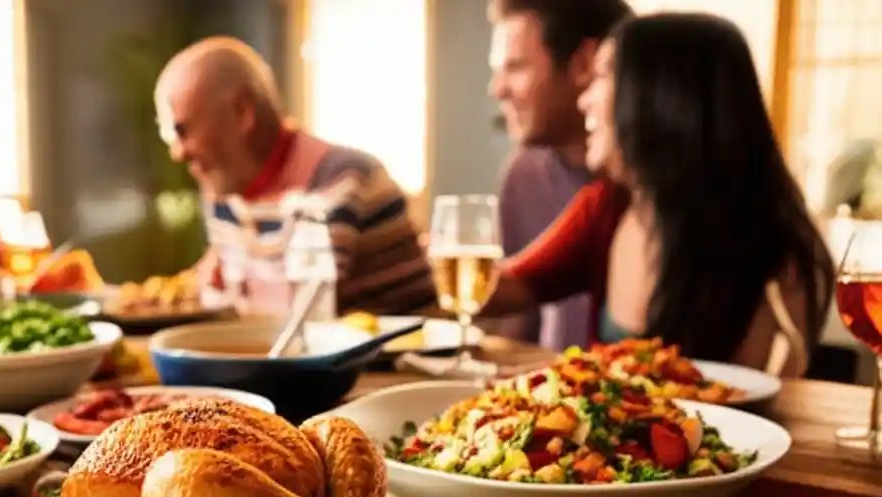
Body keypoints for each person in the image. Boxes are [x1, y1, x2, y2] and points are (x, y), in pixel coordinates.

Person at [482, 13, 836, 377]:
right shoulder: (607, 208)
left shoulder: (776, 253)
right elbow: (501, 287)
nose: (584, 99)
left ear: (660, 96)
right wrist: (426, 258)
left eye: (602, 75)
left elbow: (760, 396)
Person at [154, 36, 435, 317]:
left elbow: (299, 320)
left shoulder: (342, 183)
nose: (177, 153)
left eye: (183, 131)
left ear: (242, 112)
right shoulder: (224, 192)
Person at [487, 0, 632, 351]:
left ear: (584, 63)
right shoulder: (524, 174)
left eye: (516, 67)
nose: (497, 89)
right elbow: (513, 320)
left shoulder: (638, 197)